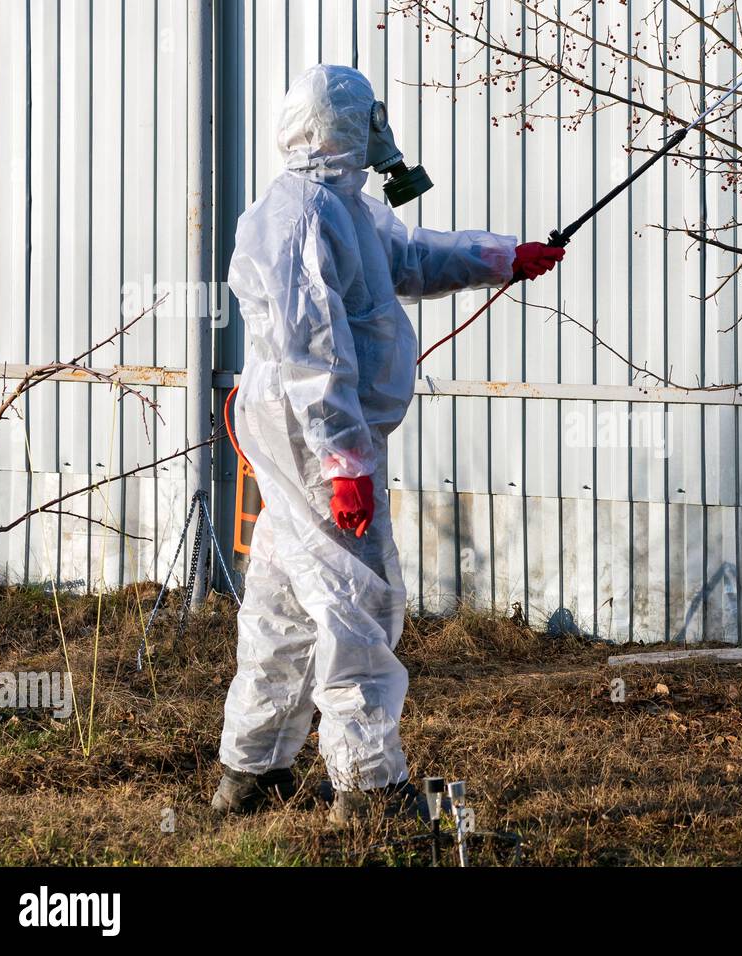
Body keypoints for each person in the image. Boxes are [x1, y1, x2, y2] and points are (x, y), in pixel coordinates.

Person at [211, 64, 563, 823]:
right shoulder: (303, 215)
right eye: (371, 117)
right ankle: (369, 787)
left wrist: (504, 256)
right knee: (357, 601)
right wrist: (343, 461)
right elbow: (313, 353)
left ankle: (250, 771)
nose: (381, 131)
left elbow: (411, 261)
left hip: (313, 434)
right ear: (344, 124)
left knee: (284, 602)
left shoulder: (344, 207)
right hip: (315, 437)